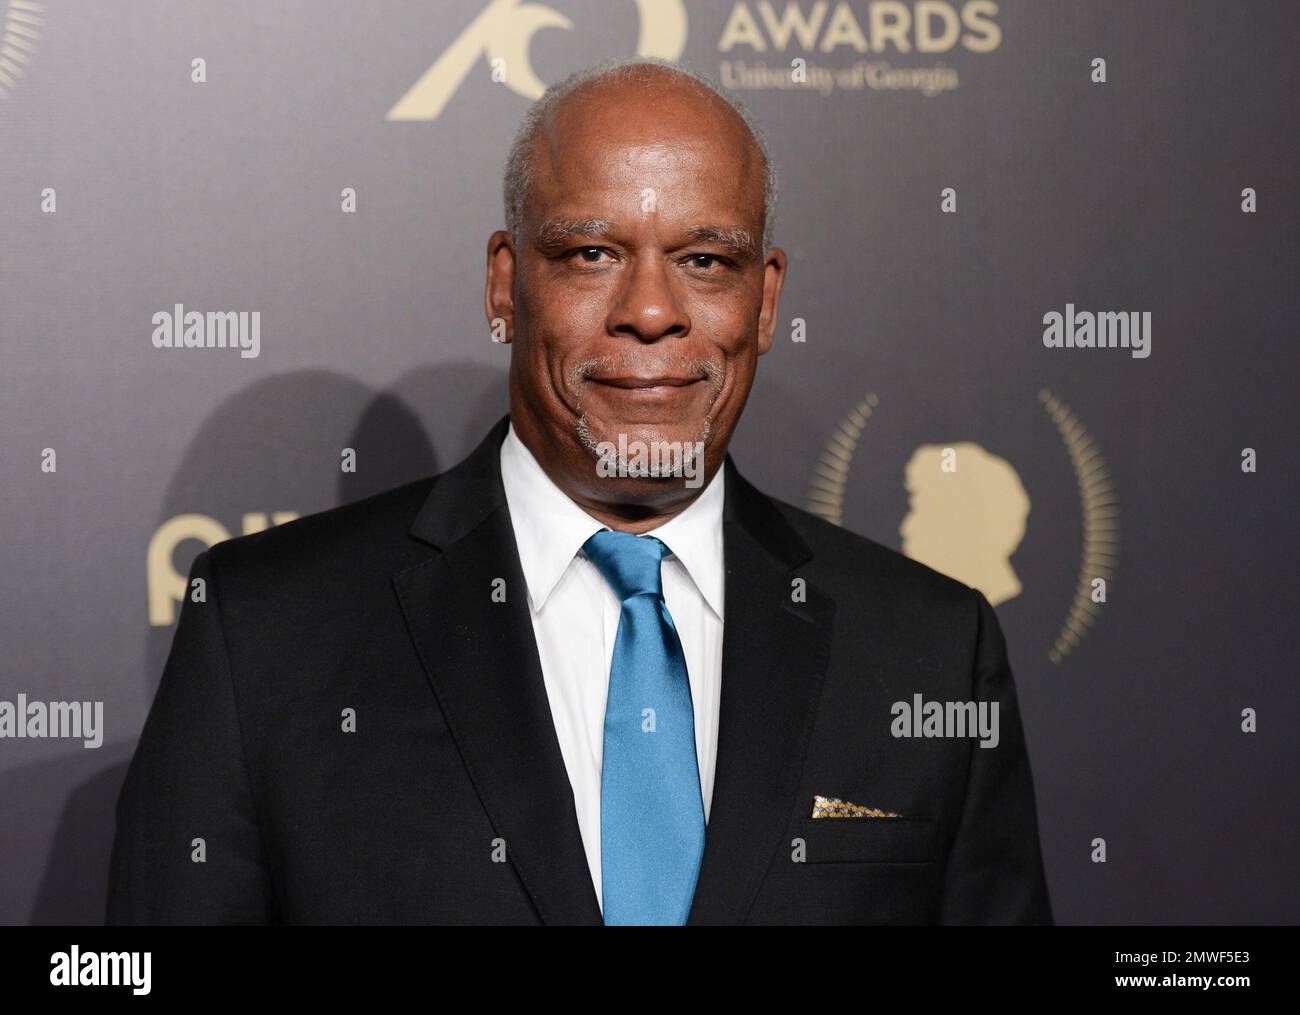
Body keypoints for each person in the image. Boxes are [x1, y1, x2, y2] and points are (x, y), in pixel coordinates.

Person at [107, 57, 1052, 925]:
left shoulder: (930, 650)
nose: (651, 311)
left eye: (705, 260)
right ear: (505, 285)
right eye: (593, 253)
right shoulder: (267, 633)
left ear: (765, 302)